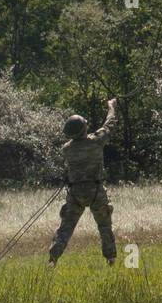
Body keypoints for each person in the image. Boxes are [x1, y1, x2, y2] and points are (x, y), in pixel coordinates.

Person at [48, 98, 119, 267]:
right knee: (104, 225)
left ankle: (52, 259)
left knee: (65, 227)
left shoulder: (67, 149)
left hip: (75, 193)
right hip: (95, 190)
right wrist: (111, 106)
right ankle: (110, 259)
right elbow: (110, 123)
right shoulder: (96, 141)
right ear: (84, 128)